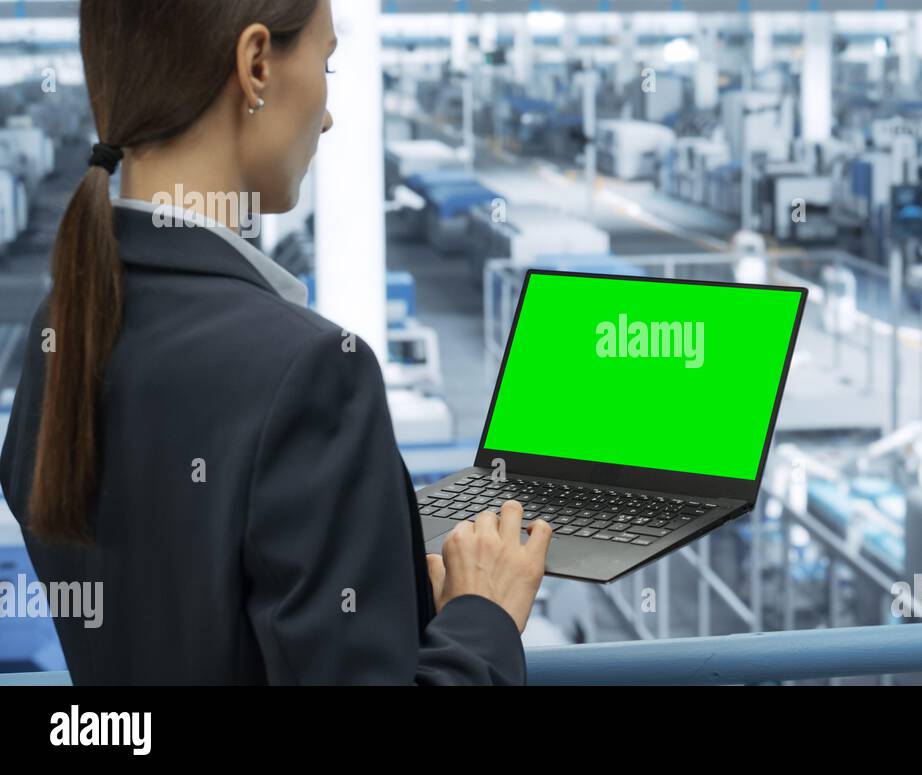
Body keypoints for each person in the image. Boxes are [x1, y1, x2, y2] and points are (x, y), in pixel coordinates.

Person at [0, 0, 550, 685]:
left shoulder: (64, 328)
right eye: (326, 64)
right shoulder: (312, 372)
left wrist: (389, 599)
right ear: (256, 65)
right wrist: (483, 616)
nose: (326, 114)